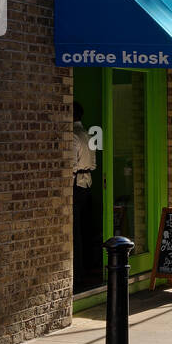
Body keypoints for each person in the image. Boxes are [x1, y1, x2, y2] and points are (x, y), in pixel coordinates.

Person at [73, 101, 98, 290]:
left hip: (75, 184)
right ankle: (87, 268)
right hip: (88, 183)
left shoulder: (73, 137)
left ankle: (78, 272)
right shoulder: (89, 134)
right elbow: (94, 163)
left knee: (75, 231)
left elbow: (70, 164)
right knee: (85, 227)